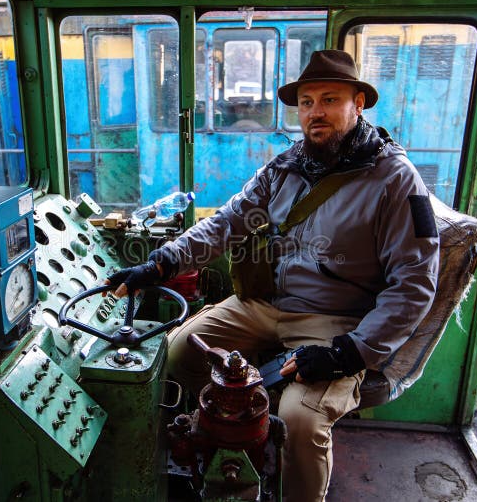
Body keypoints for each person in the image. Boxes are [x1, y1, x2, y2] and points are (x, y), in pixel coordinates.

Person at [107, 50, 440, 501]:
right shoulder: (285, 168)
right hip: (263, 304)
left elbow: (414, 284)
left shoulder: (395, 180)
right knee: (177, 353)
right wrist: (162, 262)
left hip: (335, 324)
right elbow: (227, 222)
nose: (315, 112)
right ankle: (211, 453)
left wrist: (349, 354)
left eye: (329, 99)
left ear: (358, 103)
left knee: (302, 423)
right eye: (306, 102)